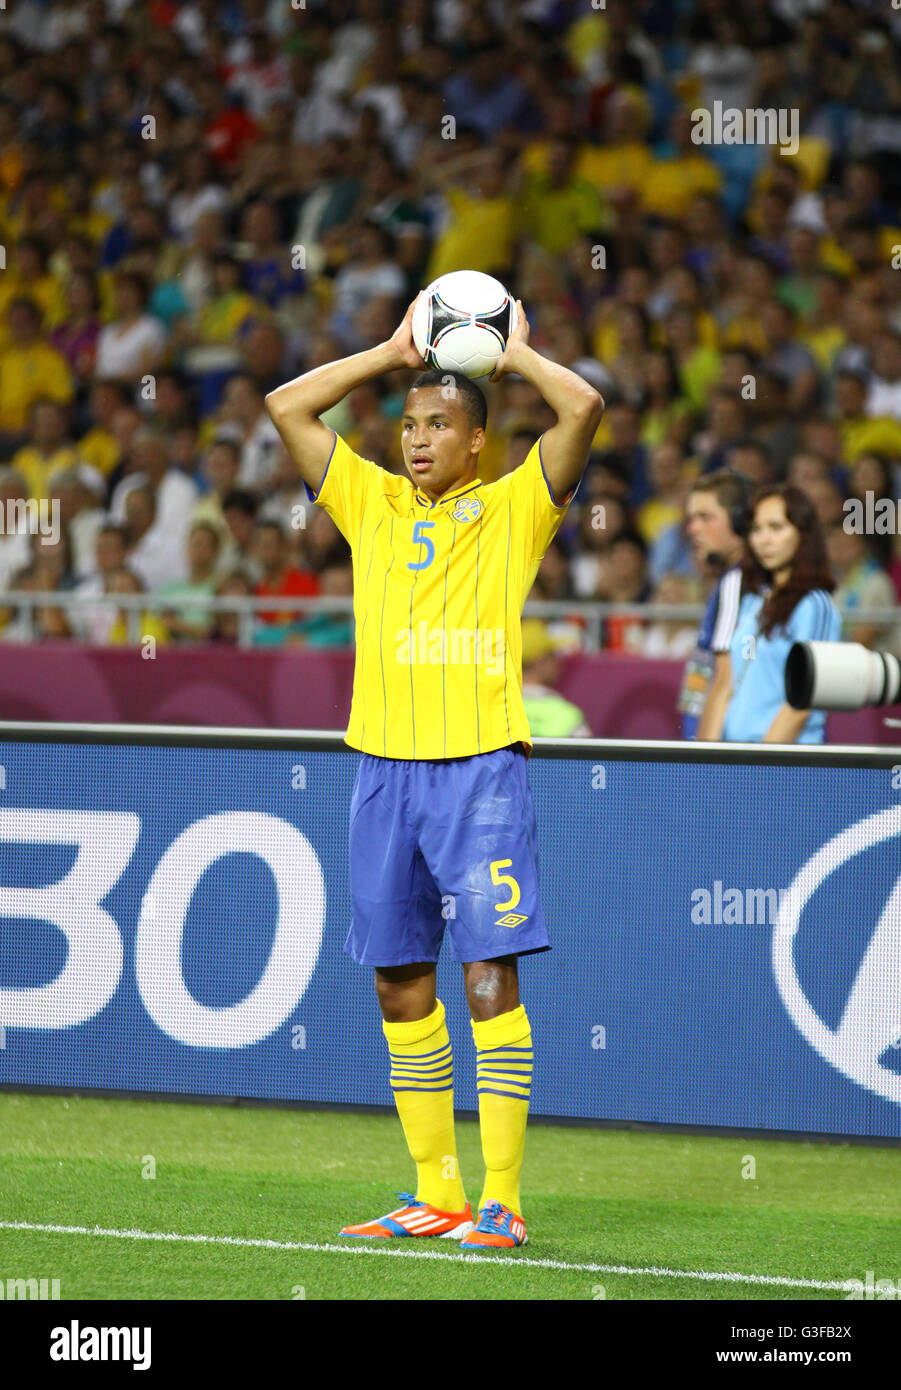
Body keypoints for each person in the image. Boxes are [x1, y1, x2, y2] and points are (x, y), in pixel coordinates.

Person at [265, 294, 603, 1249]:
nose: (417, 440)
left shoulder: (513, 512)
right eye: (409, 424)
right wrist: (384, 352)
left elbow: (581, 411)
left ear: (478, 442)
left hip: (477, 776)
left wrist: (521, 353)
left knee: (487, 975)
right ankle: (435, 1191)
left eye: (440, 424)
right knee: (397, 981)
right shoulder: (368, 502)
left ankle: (500, 1199)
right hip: (382, 771)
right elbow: (287, 405)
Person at [711, 484, 841, 744]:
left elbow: (801, 706)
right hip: (737, 762)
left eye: (776, 528)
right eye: (757, 529)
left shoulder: (815, 605)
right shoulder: (751, 601)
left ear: (803, 535)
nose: (763, 539)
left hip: (782, 769)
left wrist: (761, 766)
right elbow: (726, 686)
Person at [679, 471, 750, 740]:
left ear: (740, 521)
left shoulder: (739, 584)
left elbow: (726, 682)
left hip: (722, 756)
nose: (692, 528)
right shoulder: (728, 583)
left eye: (705, 517)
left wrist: (703, 756)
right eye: (691, 518)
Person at [519, 619, 591, 736]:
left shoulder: (494, 711)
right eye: (553, 655)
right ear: (541, 662)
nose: (559, 662)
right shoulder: (567, 715)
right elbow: (587, 753)